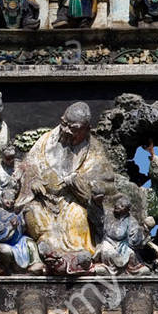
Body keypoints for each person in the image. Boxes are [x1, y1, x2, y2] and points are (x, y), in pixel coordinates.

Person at [18, 101, 117, 274]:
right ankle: (48, 253)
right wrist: (33, 181)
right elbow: (28, 166)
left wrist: (78, 184)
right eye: (64, 124)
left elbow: (102, 182)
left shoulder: (94, 150)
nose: (66, 130)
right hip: (44, 200)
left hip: (73, 200)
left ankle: (80, 258)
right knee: (33, 212)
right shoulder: (46, 140)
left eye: (74, 128)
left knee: (77, 216)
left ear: (86, 128)